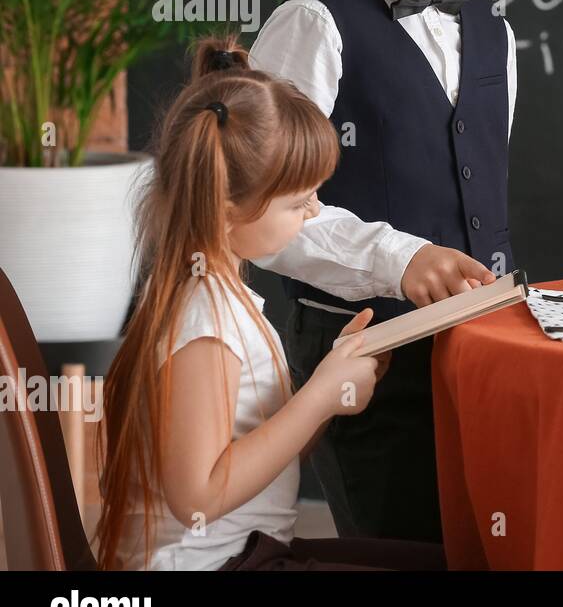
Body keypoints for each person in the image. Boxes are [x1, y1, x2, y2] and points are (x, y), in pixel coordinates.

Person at [249, 0, 524, 542]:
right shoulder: (313, 24)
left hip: (479, 355)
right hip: (360, 356)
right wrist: (400, 260)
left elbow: (474, 185)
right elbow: (265, 217)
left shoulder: (496, 36)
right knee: (396, 550)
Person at [95, 37, 445, 570]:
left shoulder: (217, 296)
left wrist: (329, 393)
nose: (314, 213)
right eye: (298, 200)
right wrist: (320, 397)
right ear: (226, 208)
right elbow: (197, 499)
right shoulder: (205, 322)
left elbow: (256, 460)